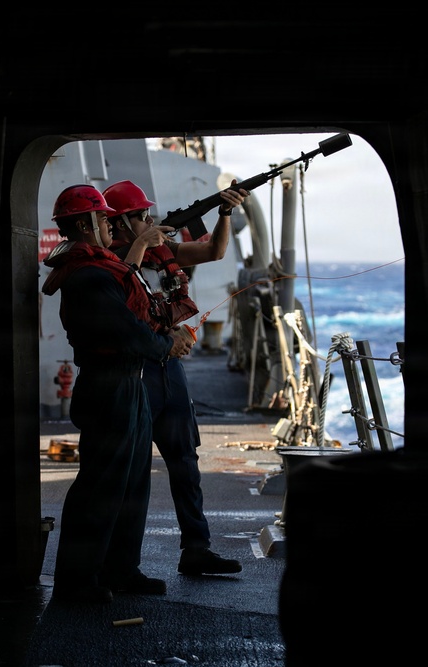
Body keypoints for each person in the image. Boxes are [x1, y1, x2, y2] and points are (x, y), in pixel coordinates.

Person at [41, 184, 194, 604]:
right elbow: (125, 331)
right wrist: (168, 344)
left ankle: (121, 569)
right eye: (104, 219)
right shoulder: (89, 276)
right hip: (110, 384)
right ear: (86, 225)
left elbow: (135, 319)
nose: (110, 224)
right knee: (101, 486)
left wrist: (165, 335)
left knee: (131, 483)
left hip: (128, 381)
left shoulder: (101, 267)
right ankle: (75, 583)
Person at [103, 179, 249, 576]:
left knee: (185, 460)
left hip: (170, 371)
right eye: (141, 216)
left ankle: (197, 548)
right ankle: (120, 564)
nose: (149, 220)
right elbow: (117, 295)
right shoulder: (108, 260)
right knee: (131, 470)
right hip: (136, 371)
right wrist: (141, 244)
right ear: (119, 222)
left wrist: (224, 212)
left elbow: (215, 251)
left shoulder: (164, 253)